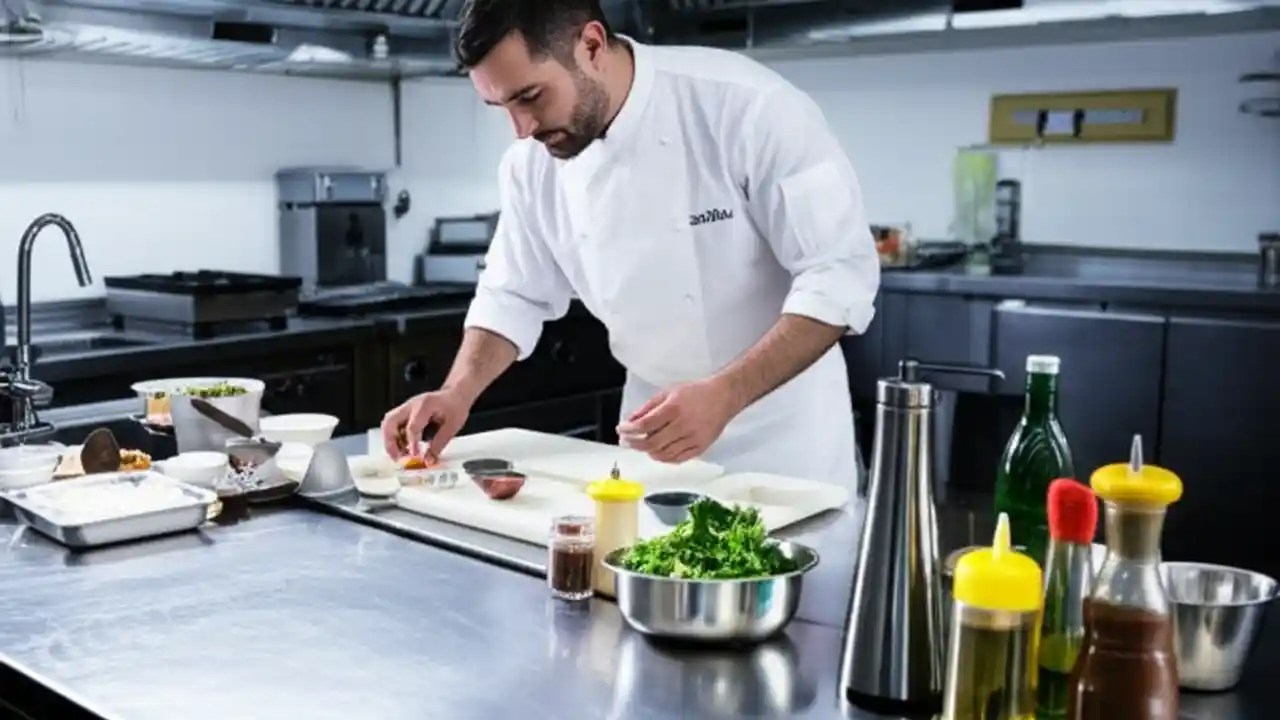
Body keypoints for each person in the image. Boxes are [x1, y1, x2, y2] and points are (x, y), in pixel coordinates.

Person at [381, 0, 880, 486]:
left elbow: (837, 275)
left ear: (592, 45)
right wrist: (456, 393)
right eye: (501, 106)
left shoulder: (747, 107)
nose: (521, 129)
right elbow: (513, 293)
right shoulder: (531, 163)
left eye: (530, 97)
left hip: (785, 446)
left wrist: (727, 394)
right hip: (654, 443)